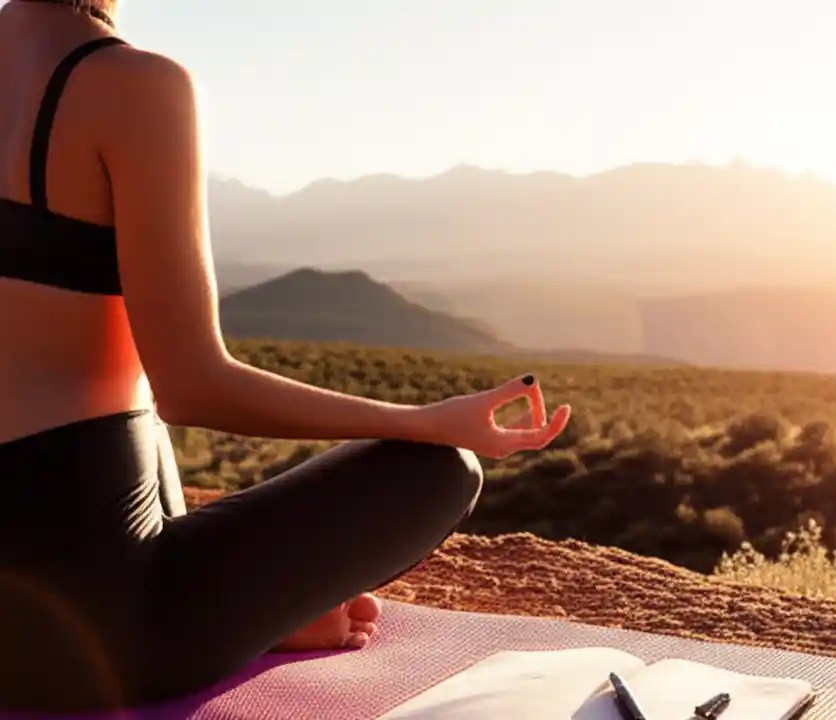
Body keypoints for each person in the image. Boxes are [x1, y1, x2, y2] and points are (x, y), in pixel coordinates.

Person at [0, 0, 572, 712]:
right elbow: (193, 386)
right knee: (438, 470)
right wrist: (429, 420)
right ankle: (240, 614)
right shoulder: (131, 85)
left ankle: (244, 609)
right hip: (94, 637)